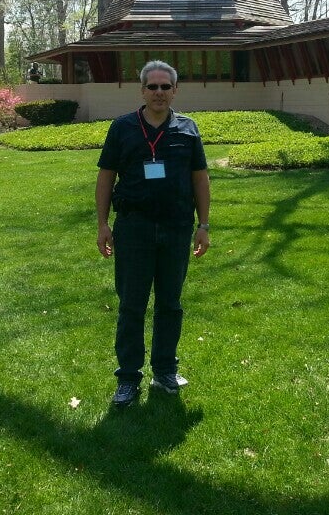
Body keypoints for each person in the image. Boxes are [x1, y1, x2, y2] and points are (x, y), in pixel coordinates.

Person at [96, 60, 211, 408]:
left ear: (175, 90)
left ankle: (164, 370)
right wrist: (103, 224)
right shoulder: (122, 128)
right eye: (152, 86)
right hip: (134, 228)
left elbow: (200, 179)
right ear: (142, 90)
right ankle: (128, 378)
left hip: (177, 229)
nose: (159, 92)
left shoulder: (187, 129)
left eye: (165, 86)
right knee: (132, 305)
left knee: (170, 304)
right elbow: (106, 177)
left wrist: (203, 225)